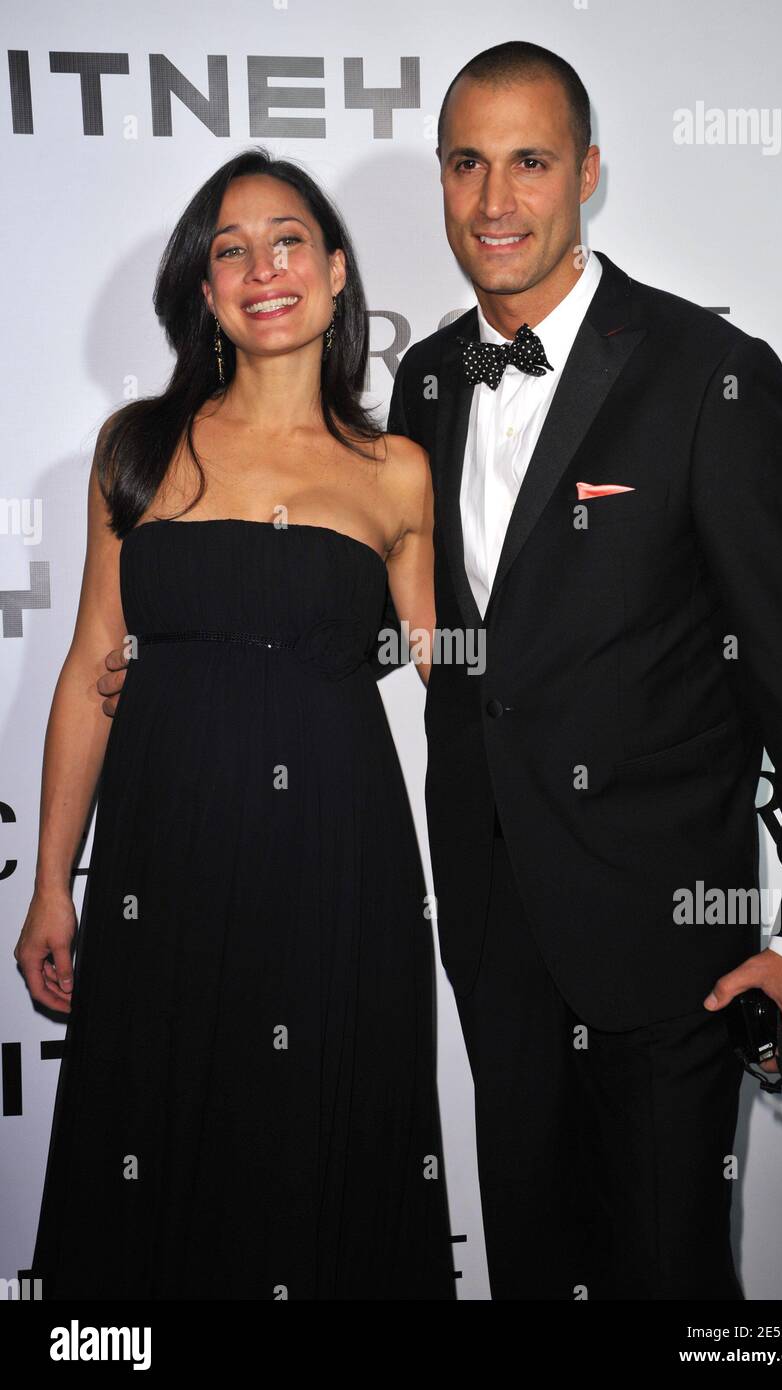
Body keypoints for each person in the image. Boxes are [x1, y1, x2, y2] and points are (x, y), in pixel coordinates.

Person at [99, 45, 782, 1301]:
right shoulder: (429, 381)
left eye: (529, 163)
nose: (494, 199)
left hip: (664, 935)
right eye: (466, 163)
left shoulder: (705, 376)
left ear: (589, 177)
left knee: (670, 1278)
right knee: (534, 1265)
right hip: (494, 928)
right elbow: (427, 637)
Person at [17, 147, 454, 1300]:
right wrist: (54, 881)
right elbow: (86, 672)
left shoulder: (396, 470)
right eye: (230, 249)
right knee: (155, 1143)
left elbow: (452, 673)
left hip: (339, 864)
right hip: (165, 863)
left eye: (288, 241)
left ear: (338, 270)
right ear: (205, 291)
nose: (263, 268)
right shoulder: (138, 450)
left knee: (328, 1139)